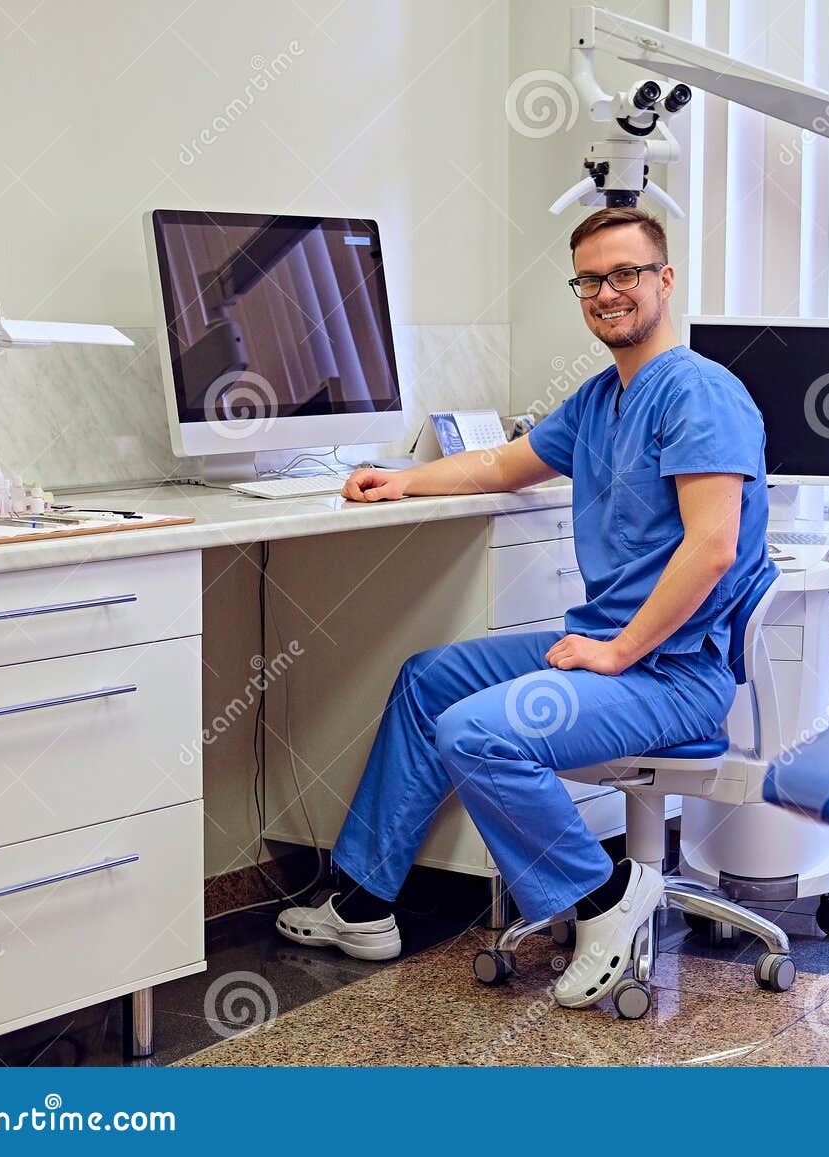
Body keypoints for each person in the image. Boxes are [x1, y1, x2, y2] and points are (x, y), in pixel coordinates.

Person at [276, 206, 775, 1009]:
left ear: (664, 280)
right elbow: (501, 466)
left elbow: (711, 547)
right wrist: (400, 478)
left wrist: (614, 653)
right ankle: (367, 900)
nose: (607, 293)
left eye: (625, 274)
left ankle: (603, 898)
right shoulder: (601, 398)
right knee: (429, 680)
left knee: (475, 732)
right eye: (590, 280)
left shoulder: (699, 393)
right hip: (613, 651)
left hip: (671, 673)